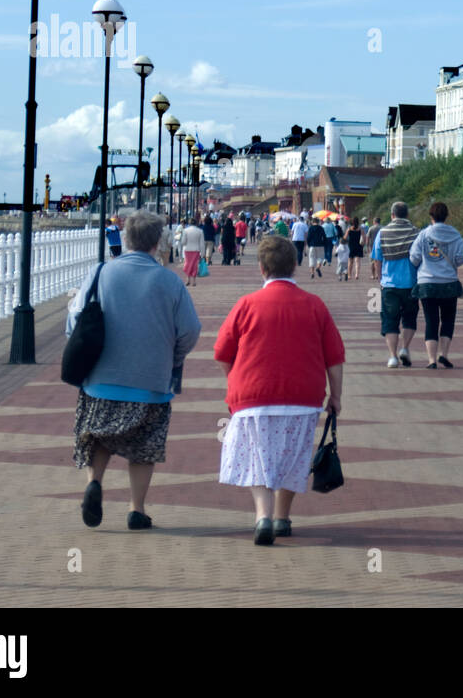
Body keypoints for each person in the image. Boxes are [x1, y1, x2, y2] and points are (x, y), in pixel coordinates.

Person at [69, 210, 202, 531]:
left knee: (99, 436)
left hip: (100, 378)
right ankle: (136, 509)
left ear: (126, 238)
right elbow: (190, 330)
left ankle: (94, 483)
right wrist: (172, 357)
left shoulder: (100, 273)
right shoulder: (170, 281)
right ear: (157, 242)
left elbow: (75, 319)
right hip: (151, 382)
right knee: (144, 445)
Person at [214, 235, 345, 545]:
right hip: (303, 397)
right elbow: (335, 357)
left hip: (252, 397)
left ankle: (262, 516)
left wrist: (234, 380)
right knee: (293, 456)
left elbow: (221, 352)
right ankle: (282, 518)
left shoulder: (246, 304)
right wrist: (336, 396)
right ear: (296, 265)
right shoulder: (314, 305)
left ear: (261, 268)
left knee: (258, 457)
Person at [409, 201, 463, 369]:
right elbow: (461, 257)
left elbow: (414, 257)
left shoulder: (424, 234)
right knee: (448, 320)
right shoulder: (455, 235)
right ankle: (445, 354)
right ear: (446, 216)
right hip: (449, 283)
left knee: (431, 321)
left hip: (427, 283)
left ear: (431, 216)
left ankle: (431, 360)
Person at [373, 200, 419, 368]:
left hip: (389, 284)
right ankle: (405, 348)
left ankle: (392, 356)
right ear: (407, 214)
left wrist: (380, 279)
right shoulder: (416, 233)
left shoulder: (382, 232)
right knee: (409, 318)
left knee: (390, 320)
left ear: (392, 215)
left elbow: (377, 259)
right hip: (411, 283)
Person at [181, 216, 204, 286]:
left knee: (187, 264)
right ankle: (194, 281)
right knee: (194, 265)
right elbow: (202, 243)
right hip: (196, 250)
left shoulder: (185, 231)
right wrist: (202, 254)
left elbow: (183, 242)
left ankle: (188, 279)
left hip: (187, 249)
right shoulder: (200, 231)